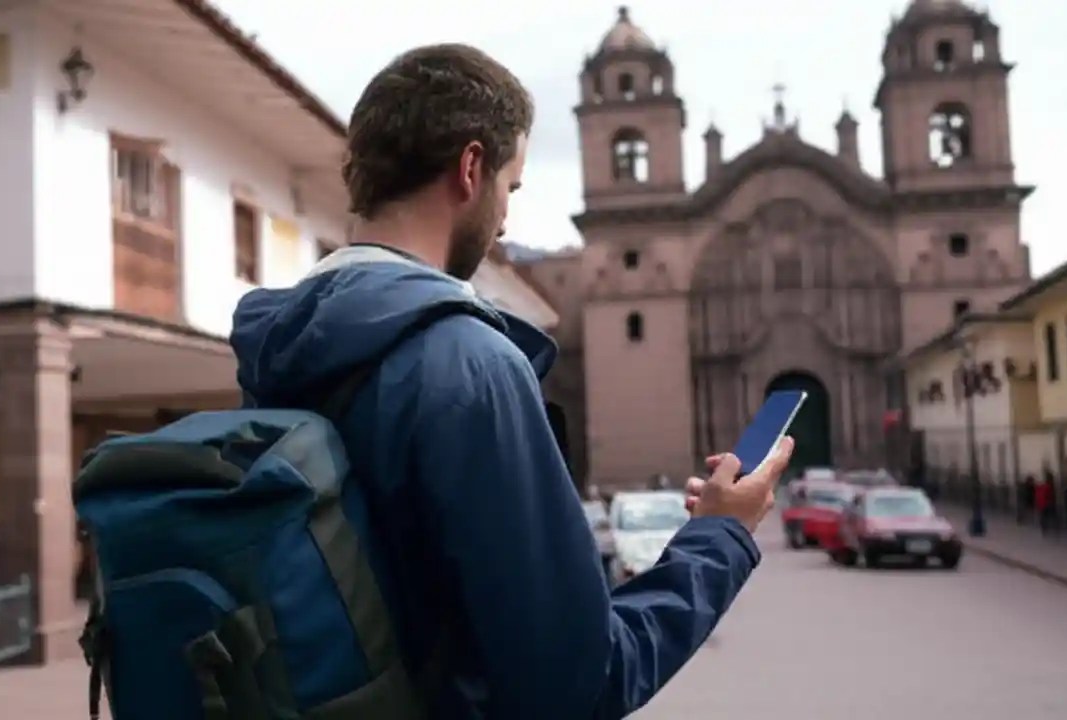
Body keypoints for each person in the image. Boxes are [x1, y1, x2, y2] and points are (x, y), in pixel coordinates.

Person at [230, 43, 792, 719]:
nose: (506, 219)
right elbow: (582, 683)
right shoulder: (469, 365)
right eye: (511, 187)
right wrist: (722, 536)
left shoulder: (278, 346)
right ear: (472, 168)